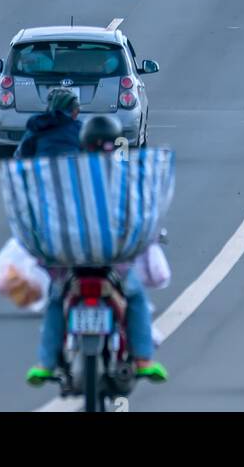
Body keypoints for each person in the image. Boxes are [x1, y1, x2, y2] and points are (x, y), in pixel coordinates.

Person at [27, 114, 168, 387]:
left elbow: (52, 210)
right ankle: (143, 359)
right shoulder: (124, 175)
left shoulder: (70, 173)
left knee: (57, 298)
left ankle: (45, 363)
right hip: (114, 261)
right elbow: (138, 212)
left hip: (75, 259)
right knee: (135, 298)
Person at [17, 88, 81, 160]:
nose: (78, 112)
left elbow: (21, 156)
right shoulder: (78, 129)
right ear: (72, 111)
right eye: (76, 109)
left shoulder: (37, 126)